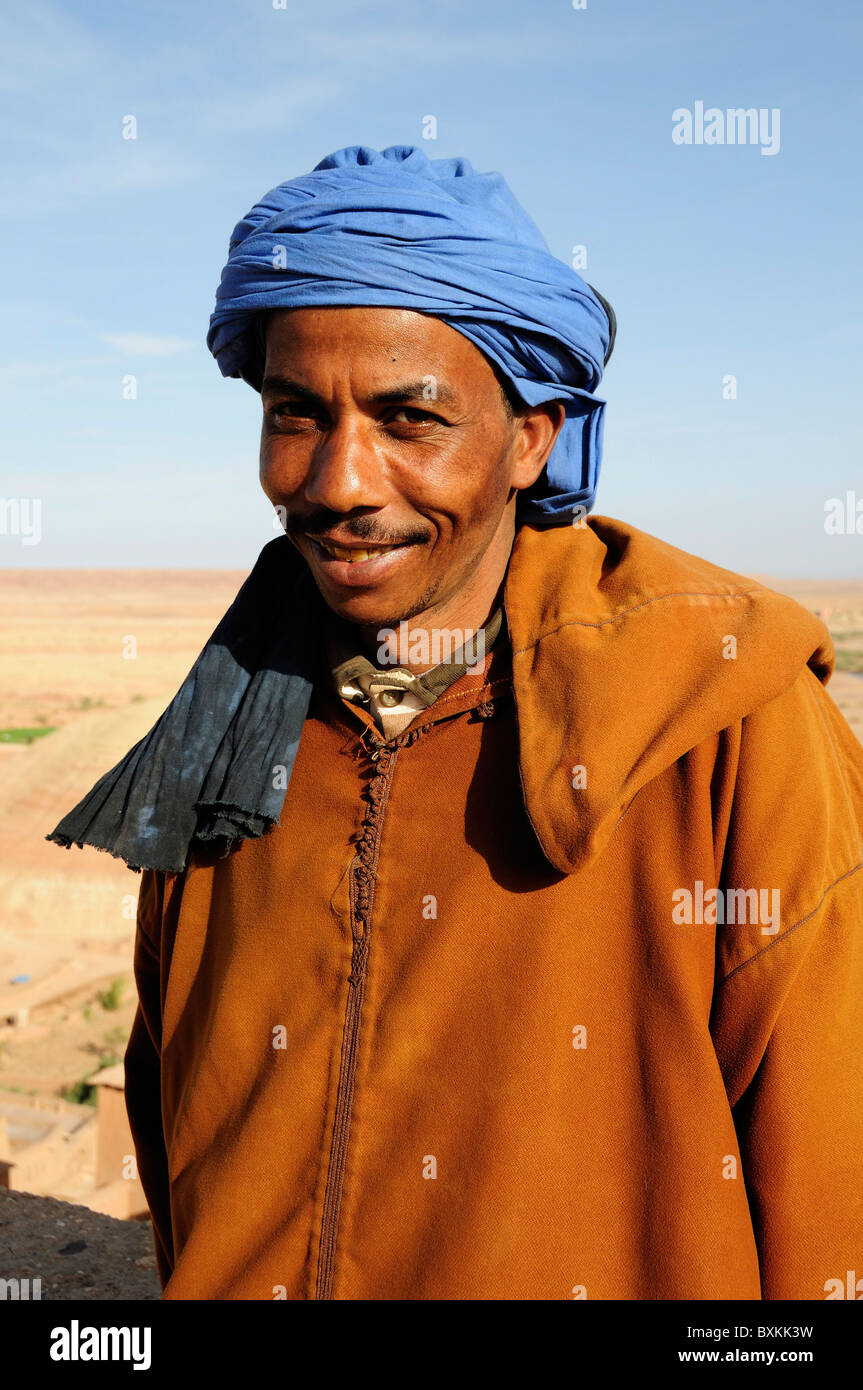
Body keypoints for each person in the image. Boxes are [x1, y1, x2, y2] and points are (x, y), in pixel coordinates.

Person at [49, 145, 863, 1301]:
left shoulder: (726, 730)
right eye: (295, 414)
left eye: (408, 417)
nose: (338, 481)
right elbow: (177, 1138)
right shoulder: (223, 741)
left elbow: (835, 1207)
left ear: (530, 437)